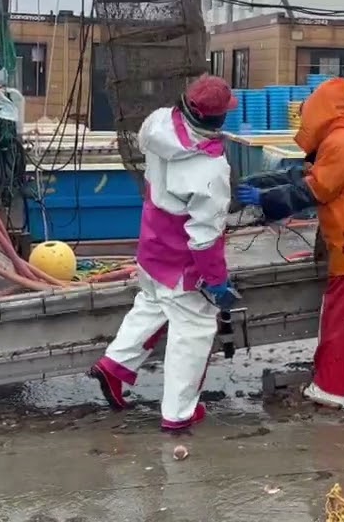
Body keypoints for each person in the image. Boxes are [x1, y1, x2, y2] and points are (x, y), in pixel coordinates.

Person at [236, 77, 344, 409]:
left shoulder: (338, 143)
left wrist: (264, 199)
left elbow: (312, 190)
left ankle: (329, 389)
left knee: (342, 320)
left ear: (317, 112)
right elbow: (303, 176)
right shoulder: (343, 140)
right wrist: (265, 185)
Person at [88, 75, 241, 433]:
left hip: (152, 244)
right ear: (218, 120)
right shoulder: (209, 169)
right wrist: (217, 283)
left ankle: (113, 365)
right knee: (194, 330)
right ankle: (179, 413)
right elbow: (204, 238)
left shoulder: (158, 123)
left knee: (152, 304)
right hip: (182, 263)